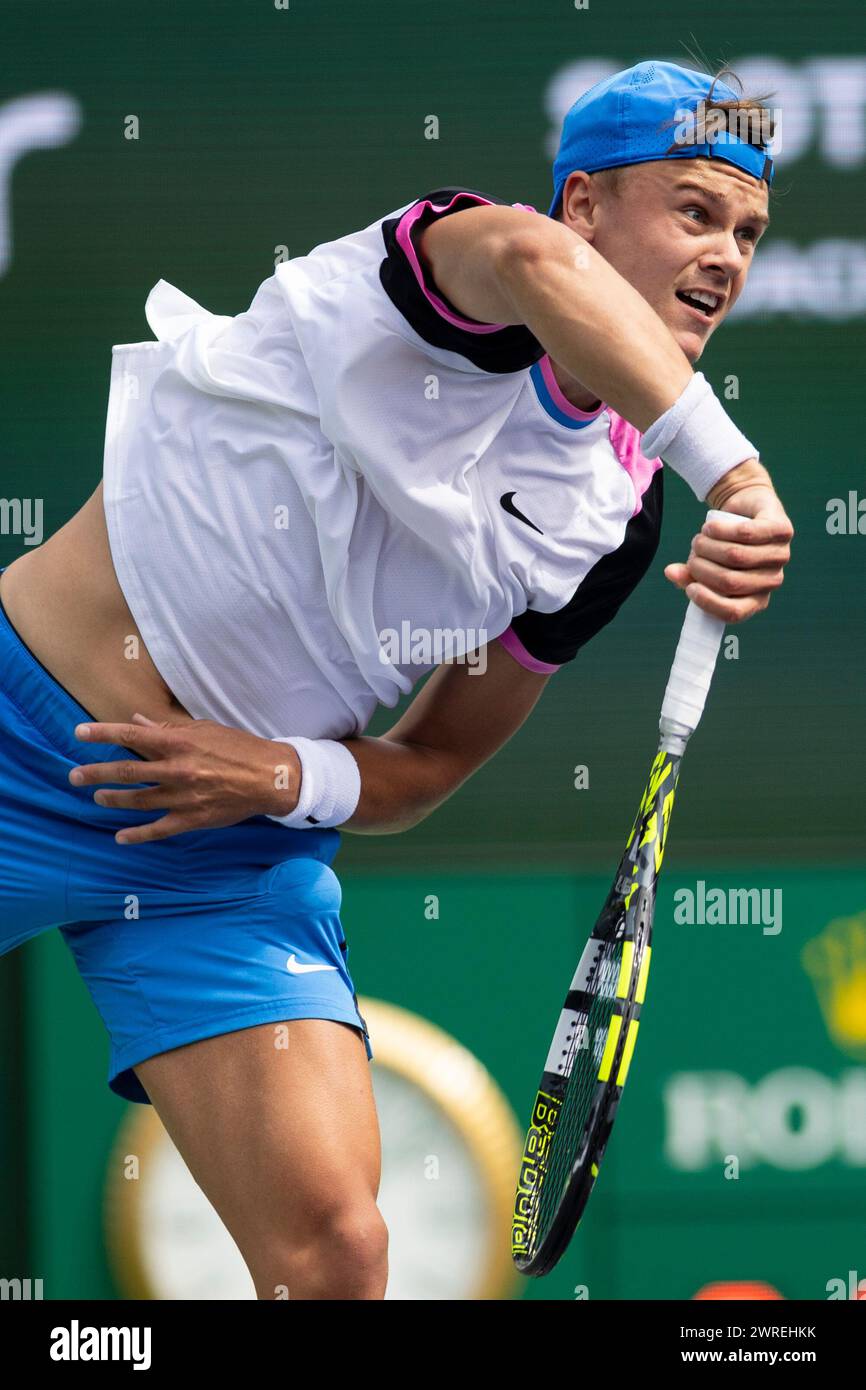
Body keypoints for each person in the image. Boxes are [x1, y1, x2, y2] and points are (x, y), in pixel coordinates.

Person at [0, 59, 792, 1299]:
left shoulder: (617, 512)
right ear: (582, 207)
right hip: (17, 726)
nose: (725, 256)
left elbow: (428, 766)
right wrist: (734, 471)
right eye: (693, 211)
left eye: (747, 230)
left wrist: (273, 773)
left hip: (215, 844)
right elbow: (536, 274)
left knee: (338, 1256)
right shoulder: (443, 271)